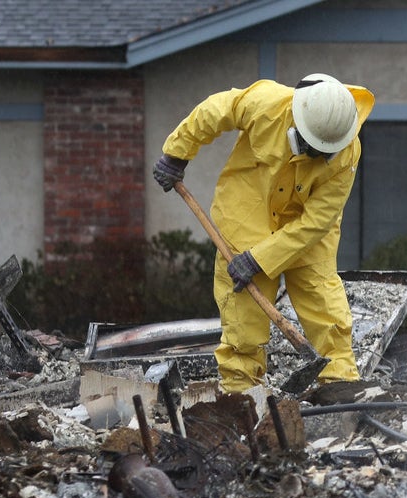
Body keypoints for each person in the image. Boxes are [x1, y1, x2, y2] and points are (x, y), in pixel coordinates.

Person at [152, 74, 376, 393]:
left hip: (307, 235)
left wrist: (260, 259)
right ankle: (241, 398)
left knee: (329, 314)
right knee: (244, 325)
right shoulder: (266, 105)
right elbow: (214, 111)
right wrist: (176, 153)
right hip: (247, 219)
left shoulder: (346, 152)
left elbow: (316, 221)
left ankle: (341, 392)